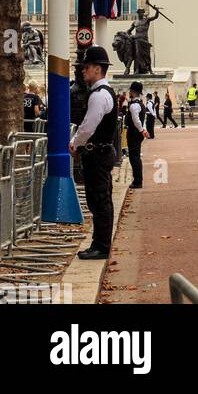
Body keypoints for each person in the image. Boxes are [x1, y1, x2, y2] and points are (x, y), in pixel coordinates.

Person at [69, 46, 119, 260]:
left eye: (86, 67)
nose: (83, 71)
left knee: (99, 200)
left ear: (97, 69)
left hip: (97, 153)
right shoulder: (106, 92)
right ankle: (99, 243)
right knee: (101, 199)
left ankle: (101, 246)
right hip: (102, 152)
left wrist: (74, 142)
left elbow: (88, 126)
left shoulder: (98, 95)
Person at [126, 81, 146, 188]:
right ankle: (138, 179)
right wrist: (143, 130)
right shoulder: (141, 104)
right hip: (138, 133)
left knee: (134, 158)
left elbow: (136, 120)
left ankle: (137, 181)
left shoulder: (134, 106)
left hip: (134, 133)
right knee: (136, 156)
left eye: (131, 91)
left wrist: (141, 130)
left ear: (133, 92)